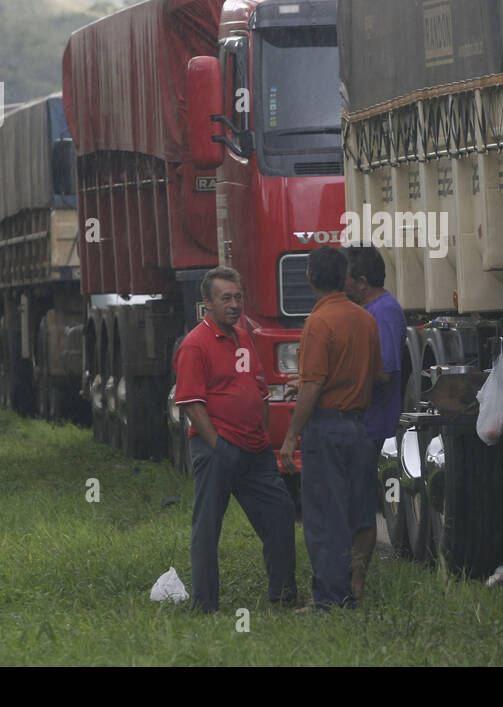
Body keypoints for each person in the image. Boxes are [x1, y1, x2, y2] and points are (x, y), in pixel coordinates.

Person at [172, 266, 297, 612]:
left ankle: (283, 594)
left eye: (238, 297)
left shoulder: (244, 337)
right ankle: (205, 604)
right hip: (218, 449)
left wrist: (262, 434)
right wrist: (218, 446)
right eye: (225, 298)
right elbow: (192, 403)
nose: (234, 304)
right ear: (207, 303)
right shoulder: (195, 344)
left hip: (254, 449)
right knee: (208, 526)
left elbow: (259, 390)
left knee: (281, 512)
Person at [279, 246, 380, 610]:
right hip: (358, 427)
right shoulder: (365, 318)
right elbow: (373, 373)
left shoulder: (318, 323)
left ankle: (329, 600)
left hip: (326, 427)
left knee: (324, 517)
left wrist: (291, 436)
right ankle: (353, 590)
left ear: (309, 278)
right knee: (356, 512)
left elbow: (314, 385)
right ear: (344, 278)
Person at [344, 245, 404, 600]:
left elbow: (383, 372)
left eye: (347, 280)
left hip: (372, 423)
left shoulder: (383, 314)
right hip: (362, 422)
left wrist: (340, 380)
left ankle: (355, 582)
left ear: (362, 283)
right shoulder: (372, 310)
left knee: (360, 503)